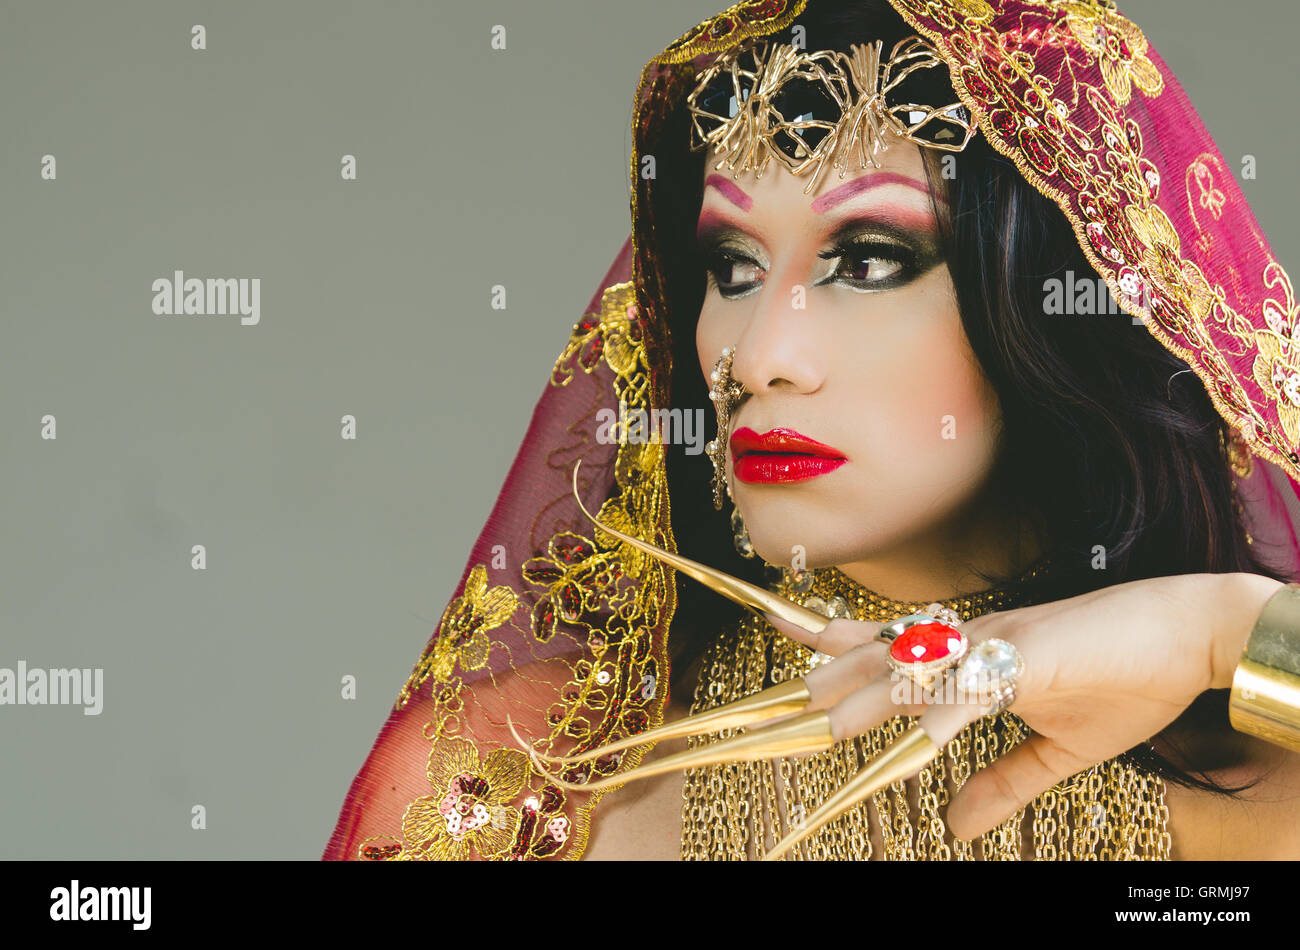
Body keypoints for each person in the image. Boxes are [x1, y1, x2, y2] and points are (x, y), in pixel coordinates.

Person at [322, 0, 1300, 861]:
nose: (757, 354)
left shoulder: (1266, 795)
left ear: (1055, 307)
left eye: (869, 260)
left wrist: (1217, 630)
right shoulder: (514, 784)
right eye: (733, 267)